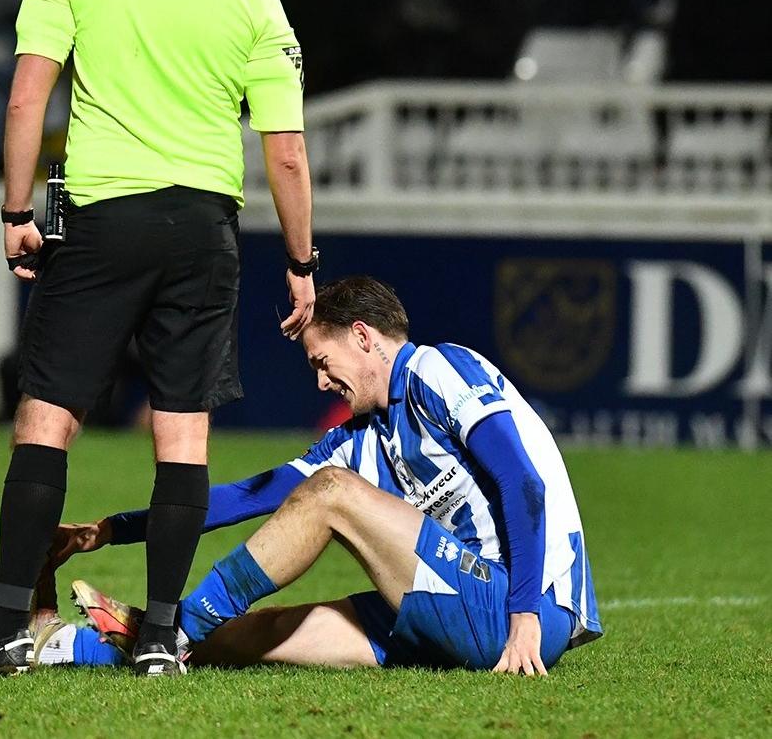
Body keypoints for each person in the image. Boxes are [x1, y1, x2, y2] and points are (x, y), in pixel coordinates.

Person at [0, 0, 315, 679]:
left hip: (99, 216)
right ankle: (164, 637)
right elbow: (284, 150)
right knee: (180, 433)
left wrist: (17, 209)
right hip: (203, 226)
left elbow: (28, 92)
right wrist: (301, 261)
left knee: (46, 417)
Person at [45, 276, 603, 676]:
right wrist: (109, 530)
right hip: (455, 603)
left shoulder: (437, 369)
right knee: (260, 634)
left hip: (521, 609)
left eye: (320, 361)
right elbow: (248, 497)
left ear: (363, 337)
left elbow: (523, 483)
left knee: (332, 494)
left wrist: (526, 614)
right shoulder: (367, 436)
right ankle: (69, 648)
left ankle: (175, 628)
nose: (320, 382)